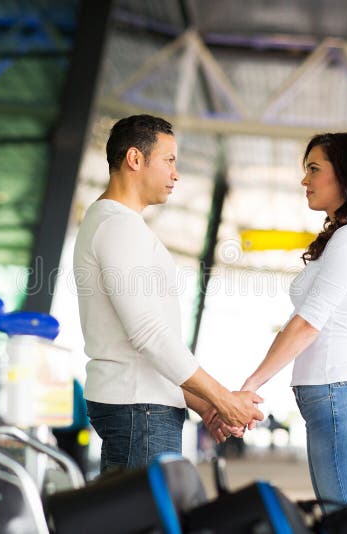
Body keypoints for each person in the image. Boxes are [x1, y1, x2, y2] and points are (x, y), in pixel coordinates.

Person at [73, 114, 263, 473]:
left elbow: (138, 348)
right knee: (148, 510)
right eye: (169, 160)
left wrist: (204, 404)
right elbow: (148, 334)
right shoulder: (118, 227)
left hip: (140, 408)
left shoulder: (112, 223)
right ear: (135, 159)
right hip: (140, 413)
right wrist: (222, 398)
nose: (176, 174)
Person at [240, 133, 347, 512]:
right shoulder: (343, 237)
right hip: (332, 401)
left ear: (346, 174)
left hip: (340, 398)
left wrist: (252, 384)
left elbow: (308, 324)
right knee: (339, 522)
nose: (305, 180)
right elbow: (297, 321)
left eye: (314, 170)